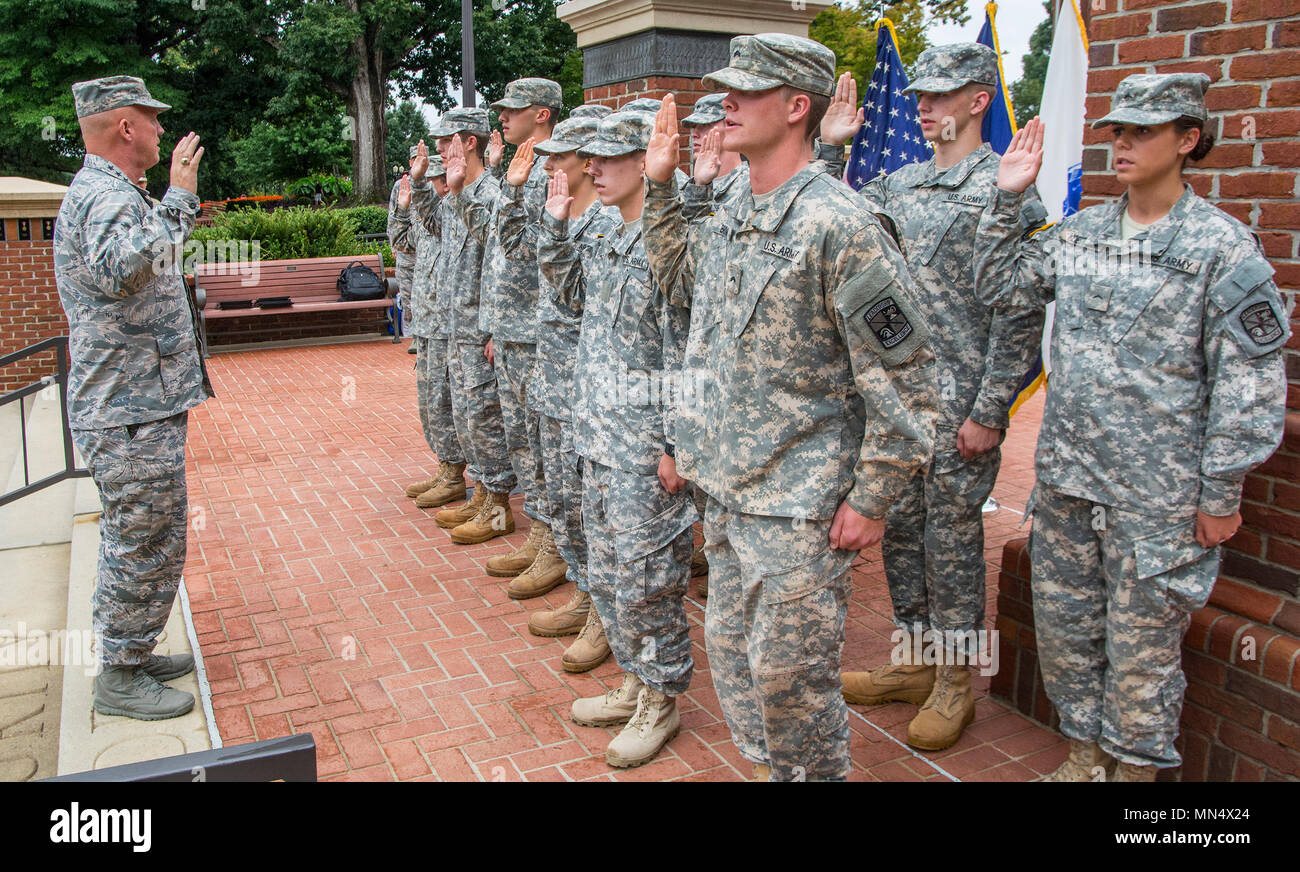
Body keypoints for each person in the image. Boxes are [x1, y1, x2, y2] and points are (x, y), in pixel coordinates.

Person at [642, 35, 940, 781]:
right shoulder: (736, 200)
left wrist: (873, 497)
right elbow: (683, 296)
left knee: (792, 685)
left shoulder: (841, 225)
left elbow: (905, 378)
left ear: (797, 106)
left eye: (746, 92)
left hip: (799, 506)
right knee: (738, 667)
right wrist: (660, 186)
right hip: (730, 490)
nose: (726, 105)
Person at [978, 73, 1288, 781]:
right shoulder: (1084, 233)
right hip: (1069, 485)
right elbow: (1001, 286)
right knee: (1068, 633)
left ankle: (1135, 772)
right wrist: (1008, 198)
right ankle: (1084, 755)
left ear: (1188, 141)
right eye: (1117, 129)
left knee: (1144, 651)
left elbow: (1249, 382)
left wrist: (1221, 491)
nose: (1120, 143)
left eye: (1141, 131)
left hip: (1160, 500)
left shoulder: (1221, 248)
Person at [822, 43, 1048, 751]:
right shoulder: (899, 185)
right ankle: (915, 663)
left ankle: (956, 680)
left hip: (959, 409)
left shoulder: (1005, 187)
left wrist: (991, 409)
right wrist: (829, 153)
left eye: (941, 95)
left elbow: (1019, 312)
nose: (923, 106)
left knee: (951, 546)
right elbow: (830, 227)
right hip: (898, 408)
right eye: (919, 95)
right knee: (903, 544)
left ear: (979, 100)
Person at [55, 76, 212, 720]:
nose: (157, 129)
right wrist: (178, 199)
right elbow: (125, 271)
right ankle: (119, 675)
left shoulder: (113, 192)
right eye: (150, 119)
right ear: (126, 127)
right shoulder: (105, 197)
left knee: (154, 533)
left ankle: (135, 651)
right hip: (126, 409)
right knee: (141, 538)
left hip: (137, 403)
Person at [545, 110, 697, 767]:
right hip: (598, 432)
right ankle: (635, 679)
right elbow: (574, 298)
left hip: (644, 446)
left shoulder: (674, 240)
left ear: (647, 161)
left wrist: (677, 443)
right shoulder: (603, 224)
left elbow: (690, 351)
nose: (592, 170)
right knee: (609, 573)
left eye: (608, 160)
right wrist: (555, 233)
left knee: (649, 578)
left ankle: (661, 701)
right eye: (591, 160)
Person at [505, 115, 621, 665]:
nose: (549, 165)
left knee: (588, 510)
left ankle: (603, 613)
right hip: (552, 380)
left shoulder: (606, 221)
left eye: (559, 157)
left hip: (588, 393)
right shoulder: (566, 214)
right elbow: (522, 264)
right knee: (561, 502)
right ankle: (583, 592)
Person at [474, 78, 565, 591]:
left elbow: (535, 254)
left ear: (543, 114)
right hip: (513, 329)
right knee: (523, 441)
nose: (502, 118)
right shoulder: (520, 169)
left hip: (541, 335)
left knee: (543, 443)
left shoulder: (554, 170)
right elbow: (500, 258)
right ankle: (541, 534)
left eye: (514, 110)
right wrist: (494, 326)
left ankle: (554, 542)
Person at [431, 108, 517, 544]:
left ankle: (499, 508)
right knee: (467, 416)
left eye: (448, 140)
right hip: (455, 325)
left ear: (469, 142)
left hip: (477, 327)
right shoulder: (455, 194)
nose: (441, 148)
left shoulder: (490, 192)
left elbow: (497, 263)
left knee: (485, 416)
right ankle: (481, 493)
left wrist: (490, 330)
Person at [394, 153, 473, 510]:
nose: (437, 184)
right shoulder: (429, 215)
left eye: (440, 178)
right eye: (434, 178)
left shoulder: (455, 214)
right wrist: (402, 207)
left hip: (449, 326)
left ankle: (456, 473)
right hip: (426, 323)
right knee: (430, 404)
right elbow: (402, 243)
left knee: (447, 403)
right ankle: (445, 466)